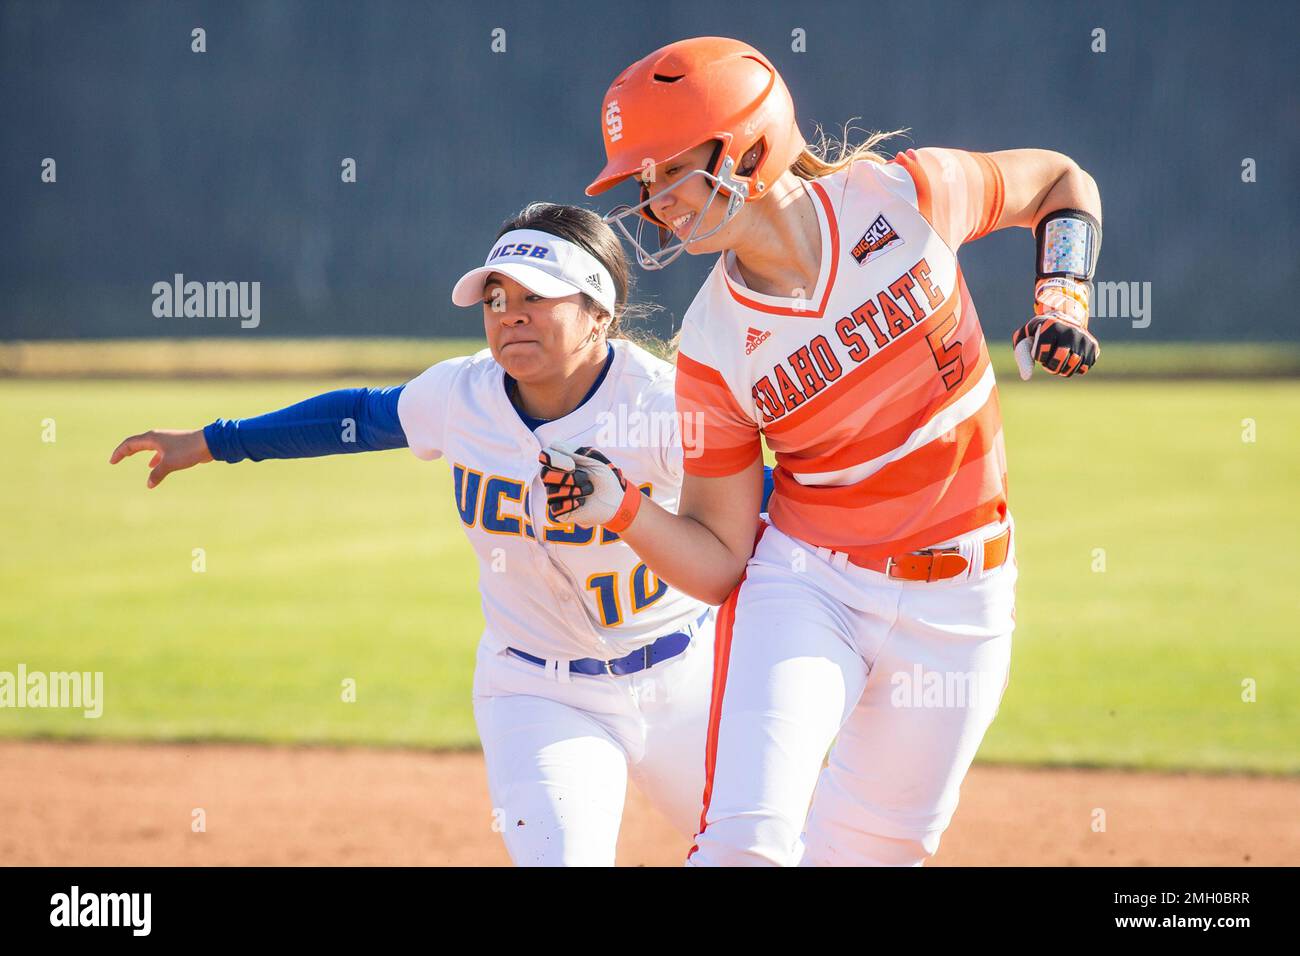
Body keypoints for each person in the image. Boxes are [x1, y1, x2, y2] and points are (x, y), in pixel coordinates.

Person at [539, 37, 1102, 866]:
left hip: (967, 601)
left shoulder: (902, 196)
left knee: (874, 853)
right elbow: (722, 555)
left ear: (750, 146)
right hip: (812, 588)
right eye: (643, 182)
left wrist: (1063, 297)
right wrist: (622, 508)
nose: (655, 200)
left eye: (667, 169)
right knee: (747, 844)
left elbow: (1061, 181)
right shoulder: (712, 342)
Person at [110, 201, 773, 867]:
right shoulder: (462, 397)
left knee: (770, 854)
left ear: (597, 312)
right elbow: (359, 416)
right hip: (539, 692)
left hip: (687, 680)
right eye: (495, 296)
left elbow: (764, 501)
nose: (510, 312)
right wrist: (213, 442)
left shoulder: (658, 408)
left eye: (536, 297)